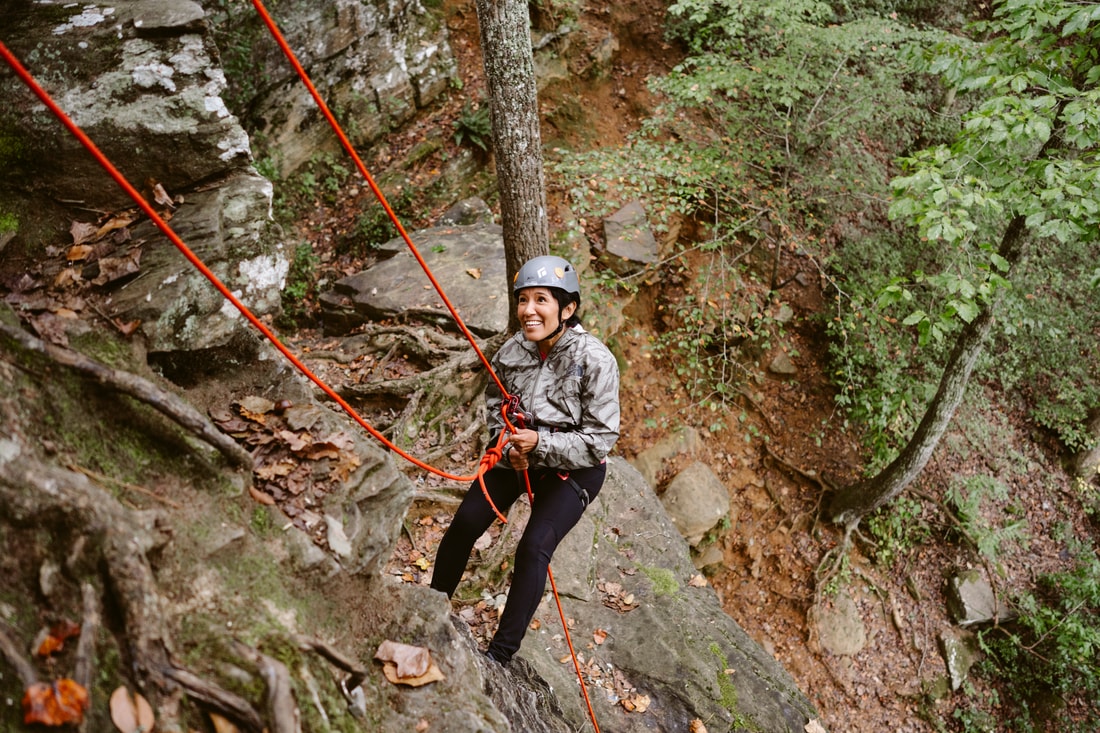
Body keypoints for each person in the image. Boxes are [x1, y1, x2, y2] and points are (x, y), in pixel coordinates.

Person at [430, 255, 620, 665]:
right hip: (520, 454)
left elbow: (601, 439)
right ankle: (428, 610)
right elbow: (495, 405)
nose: (528, 310)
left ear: (567, 309)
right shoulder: (512, 351)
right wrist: (506, 445)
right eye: (522, 300)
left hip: (574, 469)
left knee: (533, 548)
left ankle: (499, 658)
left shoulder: (594, 359)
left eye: (541, 300)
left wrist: (540, 445)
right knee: (465, 523)